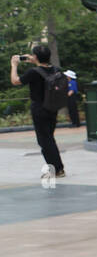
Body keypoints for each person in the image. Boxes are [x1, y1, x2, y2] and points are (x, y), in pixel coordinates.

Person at [9, 43, 66, 180]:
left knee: (44, 141)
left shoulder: (33, 72)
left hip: (39, 109)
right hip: (53, 108)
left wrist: (14, 65)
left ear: (35, 57)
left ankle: (56, 170)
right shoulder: (56, 69)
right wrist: (35, 60)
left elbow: (15, 81)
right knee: (49, 138)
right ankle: (58, 168)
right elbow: (44, 68)